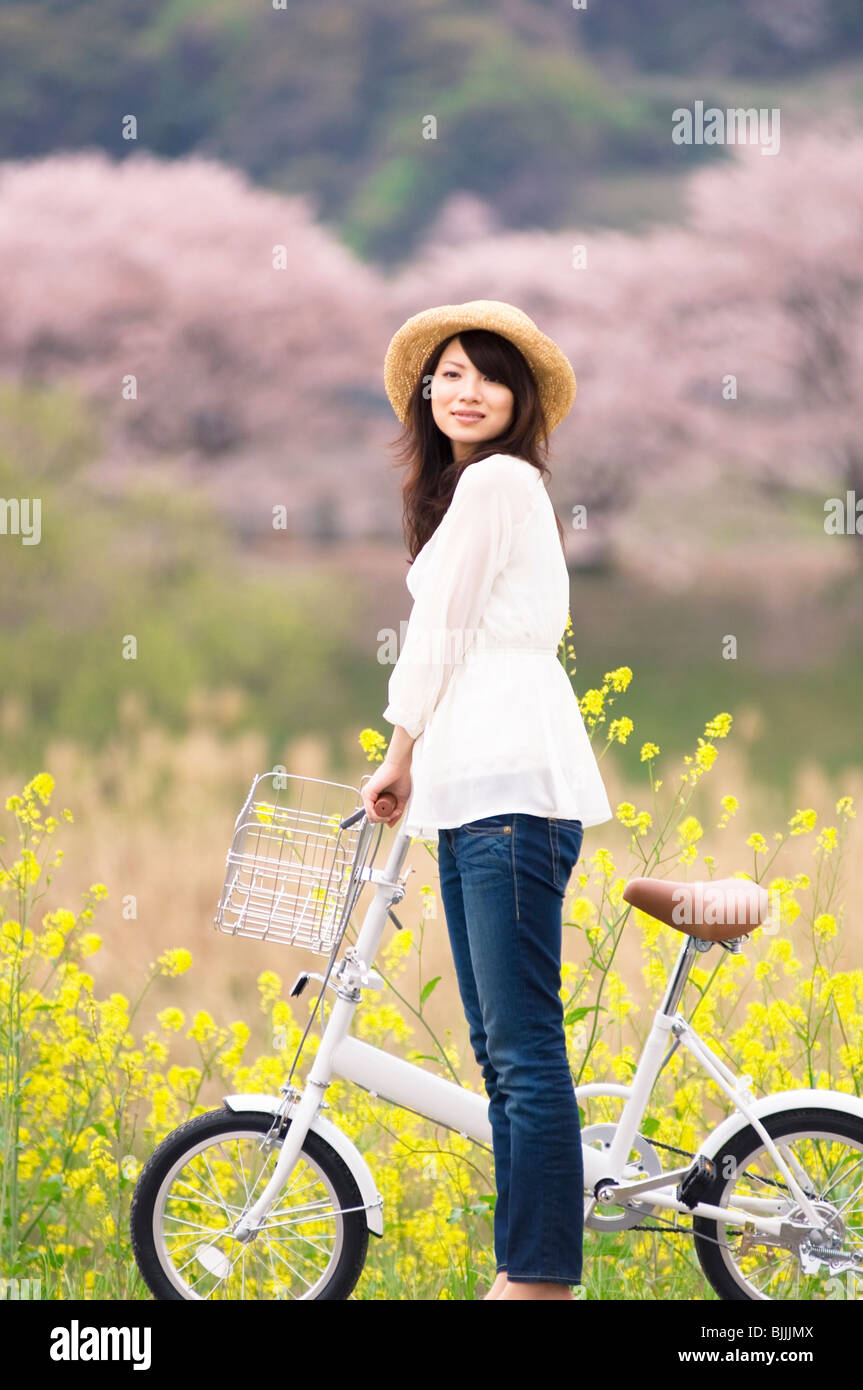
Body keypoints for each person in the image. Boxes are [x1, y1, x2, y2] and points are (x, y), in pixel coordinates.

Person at [361, 300, 613, 1301]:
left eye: (486, 376)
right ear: (428, 393)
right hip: (479, 792)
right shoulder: (473, 490)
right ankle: (530, 1267)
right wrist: (419, 772)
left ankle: (539, 1278)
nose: (464, 391)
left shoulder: (500, 480)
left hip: (509, 785)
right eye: (449, 374)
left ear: (519, 400)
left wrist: (394, 752)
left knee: (520, 1051)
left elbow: (443, 635)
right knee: (503, 1052)